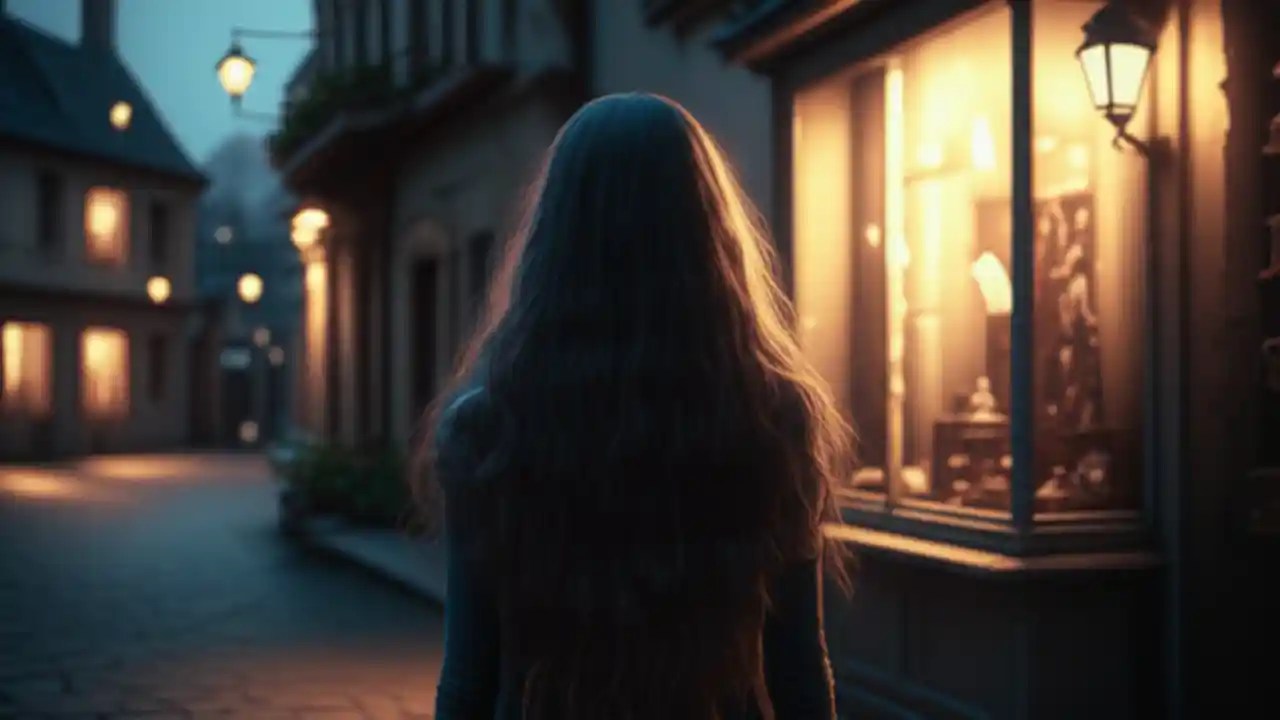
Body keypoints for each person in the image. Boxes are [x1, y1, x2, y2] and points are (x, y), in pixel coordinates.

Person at [418, 93, 854, 720]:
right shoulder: (773, 416)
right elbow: (800, 672)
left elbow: (467, 676)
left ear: (555, 237)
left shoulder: (489, 429)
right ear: (711, 233)